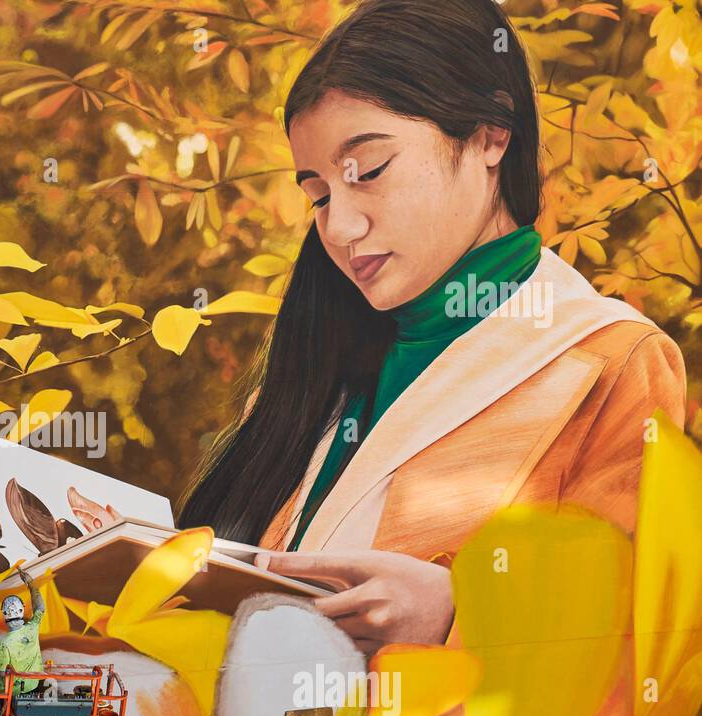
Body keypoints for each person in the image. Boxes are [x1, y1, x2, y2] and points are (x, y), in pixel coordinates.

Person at [177, 0, 686, 655]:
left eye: (371, 172)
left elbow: (637, 652)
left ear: (488, 136)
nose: (339, 227)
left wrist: (458, 618)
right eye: (320, 195)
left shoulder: (613, 361)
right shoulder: (315, 372)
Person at [0, 567, 46, 695]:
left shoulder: (3, 644)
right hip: (34, 685)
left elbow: (1, 672)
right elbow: (40, 606)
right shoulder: (32, 628)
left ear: (4, 614)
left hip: (14, 693)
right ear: (22, 610)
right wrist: (30, 583)